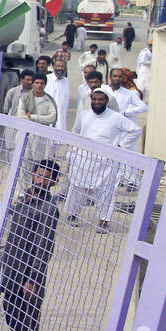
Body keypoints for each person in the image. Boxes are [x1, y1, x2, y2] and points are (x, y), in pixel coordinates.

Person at [0, 158, 61, 331]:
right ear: (33, 174)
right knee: (9, 305)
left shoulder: (48, 208)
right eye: (39, 175)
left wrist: (33, 279)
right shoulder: (25, 198)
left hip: (29, 267)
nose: (41, 180)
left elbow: (44, 247)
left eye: (46, 178)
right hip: (11, 263)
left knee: (28, 310)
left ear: (53, 183)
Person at [66, 89, 142, 233]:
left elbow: (135, 130)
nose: (97, 102)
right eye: (94, 99)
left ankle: (104, 220)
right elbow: (76, 132)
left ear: (106, 101)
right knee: (76, 187)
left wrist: (121, 146)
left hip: (106, 163)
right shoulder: (84, 115)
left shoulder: (116, 117)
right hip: (84, 159)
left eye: (100, 99)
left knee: (106, 191)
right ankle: (72, 215)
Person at [47, 56, 72, 131]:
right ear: (53, 67)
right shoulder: (47, 79)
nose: (60, 68)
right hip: (48, 119)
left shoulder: (66, 81)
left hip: (62, 119)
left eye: (62, 66)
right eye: (58, 66)